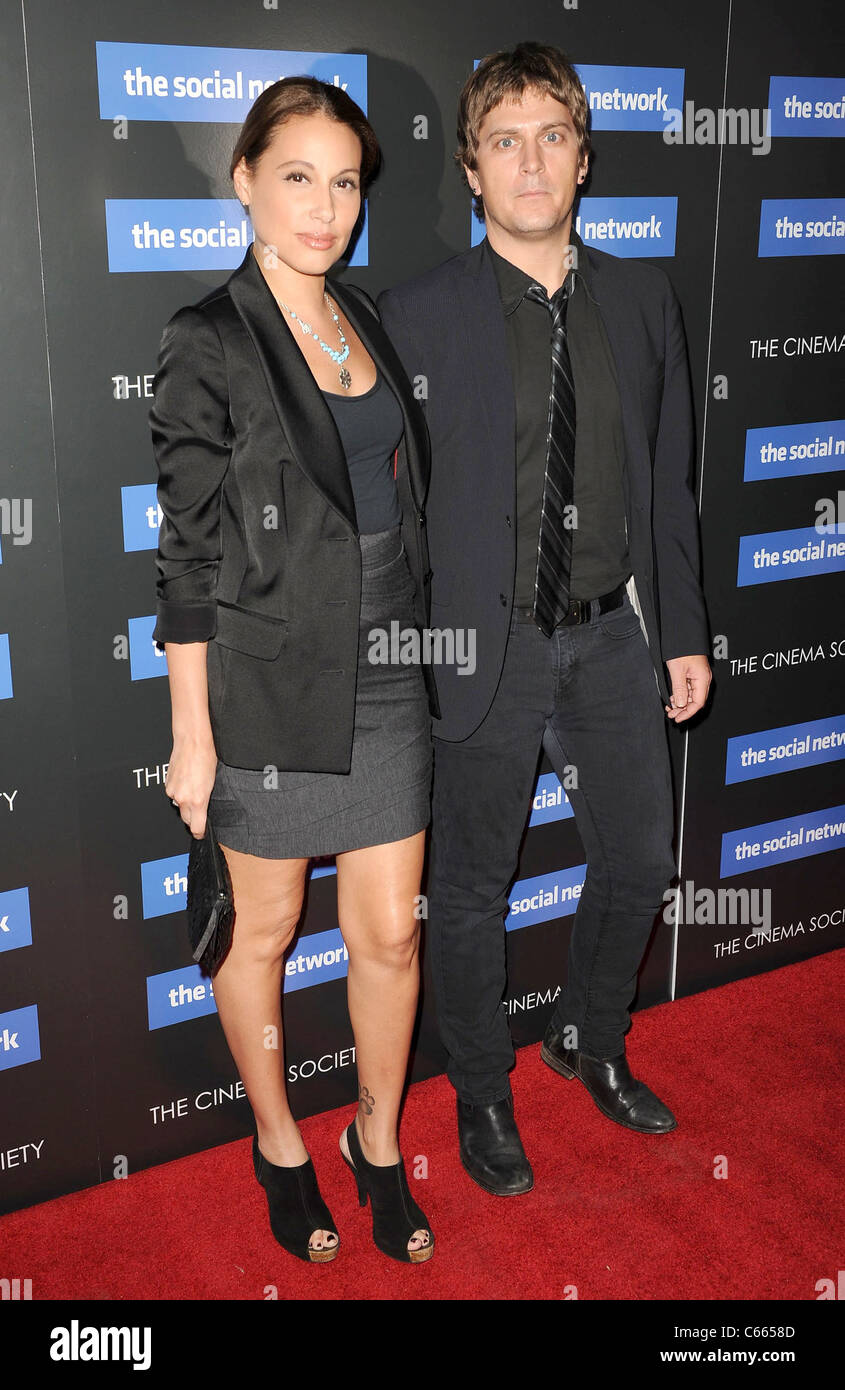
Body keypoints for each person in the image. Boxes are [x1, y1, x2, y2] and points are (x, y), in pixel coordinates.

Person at [379, 42, 713, 1197]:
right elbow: (394, 511)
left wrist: (681, 629)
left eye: (552, 137)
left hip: (613, 633)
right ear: (470, 169)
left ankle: (591, 1037)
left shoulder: (638, 296)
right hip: (486, 648)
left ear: (583, 156)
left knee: (640, 857)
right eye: (504, 141)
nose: (531, 162)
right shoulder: (415, 314)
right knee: (470, 889)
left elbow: (669, 479)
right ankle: (480, 1089)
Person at [149, 76, 436, 1262]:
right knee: (259, 934)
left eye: (346, 181)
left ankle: (377, 1143)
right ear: (246, 182)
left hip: (388, 677)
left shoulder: (361, 312)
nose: (324, 208)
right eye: (297, 177)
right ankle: (277, 1141)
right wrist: (194, 734)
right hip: (265, 686)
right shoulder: (206, 339)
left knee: (390, 937)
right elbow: (185, 556)